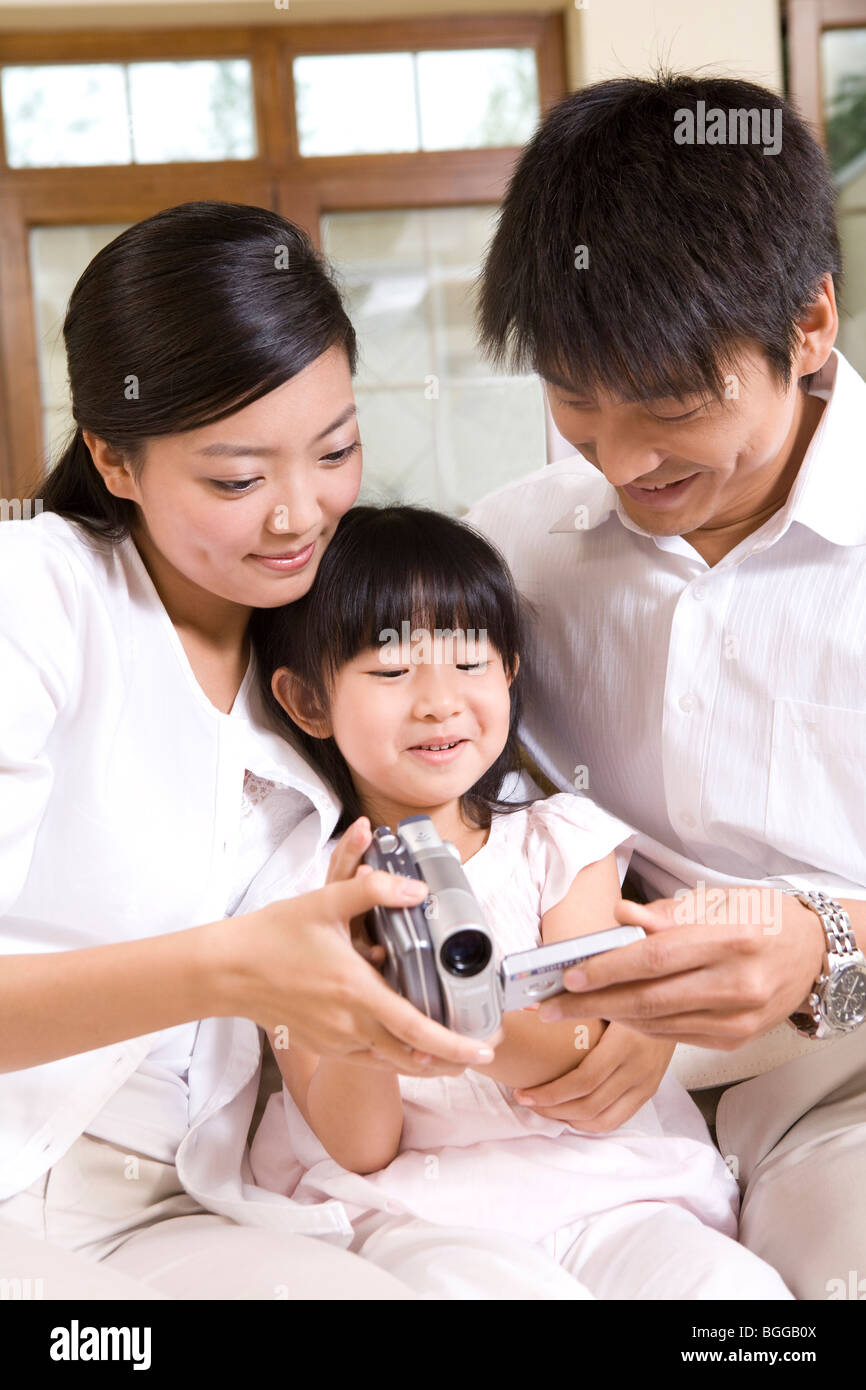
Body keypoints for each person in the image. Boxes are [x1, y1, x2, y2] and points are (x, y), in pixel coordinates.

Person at [0, 199, 562, 1302]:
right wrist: (234, 966)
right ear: (113, 457)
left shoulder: (321, 681)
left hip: (173, 1200)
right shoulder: (39, 600)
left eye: (336, 449)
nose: (299, 515)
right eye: (234, 478)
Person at [464, 71, 866, 1300]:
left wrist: (826, 949)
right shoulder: (513, 551)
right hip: (593, 1106)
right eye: (576, 404)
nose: (625, 460)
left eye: (671, 408)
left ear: (806, 327)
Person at [245, 502, 793, 1300]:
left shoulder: (561, 842)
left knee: (732, 1300)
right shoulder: (298, 897)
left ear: (508, 671)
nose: (439, 702)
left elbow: (585, 1061)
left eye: (471, 665)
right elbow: (361, 1148)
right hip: (423, 1214)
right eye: (393, 673)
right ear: (308, 702)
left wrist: (441, 1007)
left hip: (610, 1186)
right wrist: (363, 1012)